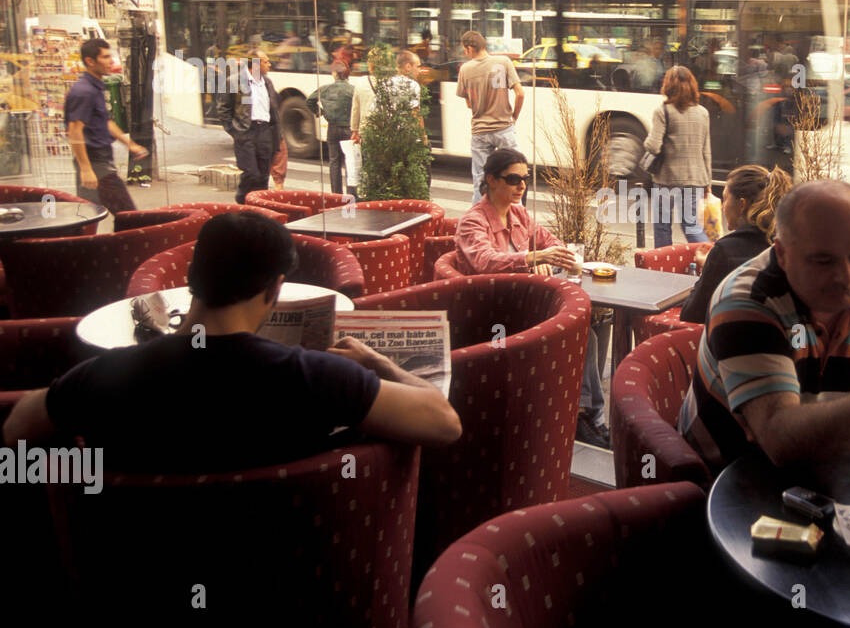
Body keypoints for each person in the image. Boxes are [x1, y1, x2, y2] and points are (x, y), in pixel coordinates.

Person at [2, 213, 461, 472]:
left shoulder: (102, 376)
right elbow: (444, 423)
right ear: (273, 289)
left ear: (190, 278)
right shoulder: (314, 378)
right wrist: (377, 362)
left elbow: (18, 430)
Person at [679, 180, 850, 471]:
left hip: (841, 461)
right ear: (782, 254)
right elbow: (778, 438)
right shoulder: (747, 302)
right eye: (823, 261)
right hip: (728, 472)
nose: (847, 277)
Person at [453, 148, 611, 448]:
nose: (522, 186)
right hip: (490, 312)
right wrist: (532, 257)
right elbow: (484, 261)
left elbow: (552, 243)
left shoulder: (519, 214)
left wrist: (554, 256)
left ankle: (589, 416)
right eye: (513, 179)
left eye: (524, 178)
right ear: (491, 180)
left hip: (522, 304)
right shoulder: (473, 221)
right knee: (580, 335)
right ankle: (579, 417)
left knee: (585, 333)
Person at [679, 164, 793, 324]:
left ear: (742, 204)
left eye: (725, 199)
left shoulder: (726, 250)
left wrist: (708, 268)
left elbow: (692, 314)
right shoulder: (788, 244)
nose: (722, 206)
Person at [65, 38, 148, 214]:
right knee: (128, 216)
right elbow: (74, 131)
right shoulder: (84, 91)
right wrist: (86, 169)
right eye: (105, 57)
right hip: (96, 163)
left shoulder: (95, 87)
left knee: (89, 217)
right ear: (90, 61)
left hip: (99, 161)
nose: (111, 62)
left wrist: (130, 144)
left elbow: (105, 121)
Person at [643, 65, 712, 249]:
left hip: (667, 180)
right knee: (691, 226)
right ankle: (711, 257)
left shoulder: (663, 111)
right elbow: (706, 151)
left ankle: (663, 270)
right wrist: (707, 182)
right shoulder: (703, 113)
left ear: (668, 86)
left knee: (662, 227)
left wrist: (647, 140)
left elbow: (653, 146)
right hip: (695, 180)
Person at [456, 30, 525, 206]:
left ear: (470, 48)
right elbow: (520, 94)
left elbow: (469, 104)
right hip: (504, 128)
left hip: (480, 131)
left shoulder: (465, 69)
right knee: (516, 174)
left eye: (465, 49)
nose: (465, 53)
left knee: (480, 178)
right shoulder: (503, 62)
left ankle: (479, 221)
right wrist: (513, 118)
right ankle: (518, 217)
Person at [350, 50, 425, 193]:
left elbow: (370, 111)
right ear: (408, 66)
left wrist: (356, 130)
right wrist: (422, 138)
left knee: (381, 177)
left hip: (378, 136)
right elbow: (415, 113)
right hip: (404, 139)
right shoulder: (412, 85)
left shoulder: (383, 84)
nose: (420, 70)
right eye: (418, 66)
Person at [218, 49, 280, 206]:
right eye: (266, 61)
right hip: (246, 132)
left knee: (263, 175)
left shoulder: (267, 82)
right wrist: (235, 132)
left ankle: (259, 208)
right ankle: (242, 202)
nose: (269, 64)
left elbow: (274, 111)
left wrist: (277, 135)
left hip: (265, 132)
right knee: (251, 173)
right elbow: (224, 109)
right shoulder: (234, 81)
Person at [307, 60, 357, 195]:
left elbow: (310, 101)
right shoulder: (353, 90)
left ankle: (336, 194)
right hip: (348, 129)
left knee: (334, 161)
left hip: (332, 128)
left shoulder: (325, 89)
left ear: (334, 74)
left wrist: (320, 112)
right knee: (349, 161)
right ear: (347, 74)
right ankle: (351, 193)